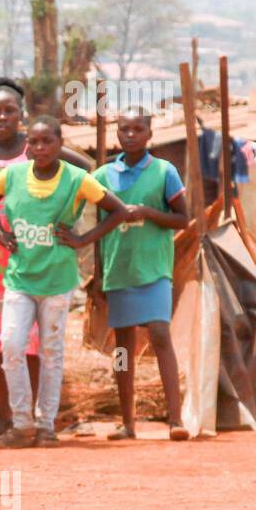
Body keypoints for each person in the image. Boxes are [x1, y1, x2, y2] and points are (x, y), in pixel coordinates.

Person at [0, 115, 126, 448]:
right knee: (12, 346)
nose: (40, 148)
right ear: (27, 145)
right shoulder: (12, 175)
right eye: (33, 141)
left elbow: (118, 211)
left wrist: (83, 239)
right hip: (19, 278)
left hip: (58, 281)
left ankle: (46, 425)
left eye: (47, 141)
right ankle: (22, 423)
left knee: (51, 353)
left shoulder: (77, 179)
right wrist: (0, 233)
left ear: (60, 144)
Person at [0, 78, 93, 444]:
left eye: (10, 110)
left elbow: (85, 169)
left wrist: (69, 221)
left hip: (39, 251)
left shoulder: (38, 147)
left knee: (36, 339)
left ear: (22, 114)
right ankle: (3, 417)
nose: (2, 116)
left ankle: (39, 419)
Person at [92, 108, 190, 441]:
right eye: (124, 129)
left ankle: (175, 419)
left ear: (150, 134)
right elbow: (98, 227)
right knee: (122, 348)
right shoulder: (103, 176)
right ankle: (127, 422)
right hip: (118, 268)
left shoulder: (165, 172)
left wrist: (147, 213)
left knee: (160, 335)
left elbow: (183, 218)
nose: (130, 135)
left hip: (154, 267)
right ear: (116, 134)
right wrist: (98, 273)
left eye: (137, 129)